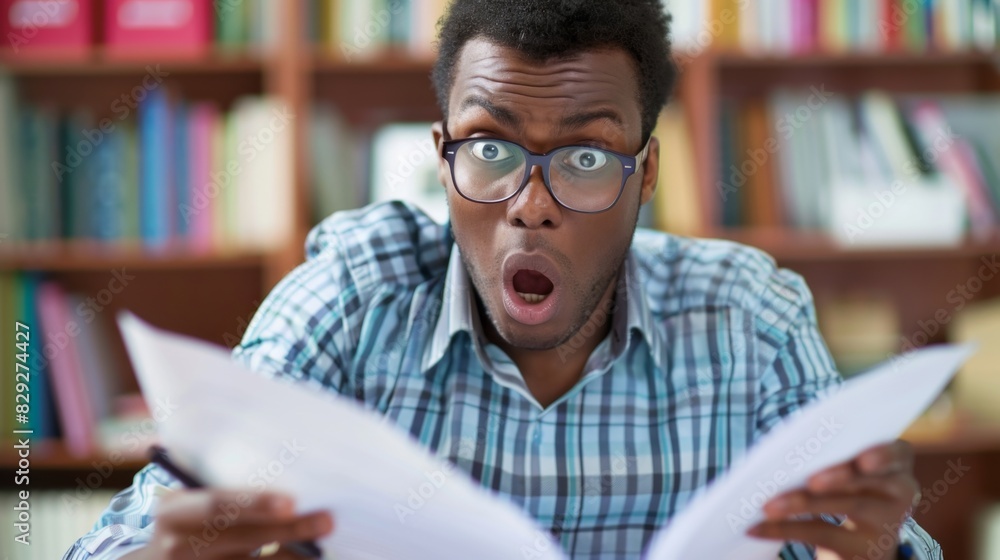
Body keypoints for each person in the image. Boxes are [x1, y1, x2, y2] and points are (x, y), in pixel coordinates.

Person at [65, 1, 940, 559]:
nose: (531, 206)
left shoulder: (750, 318)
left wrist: (872, 552)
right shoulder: (349, 297)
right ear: (441, 156)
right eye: (490, 148)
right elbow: (121, 543)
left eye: (588, 156)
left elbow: (869, 542)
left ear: (647, 172)